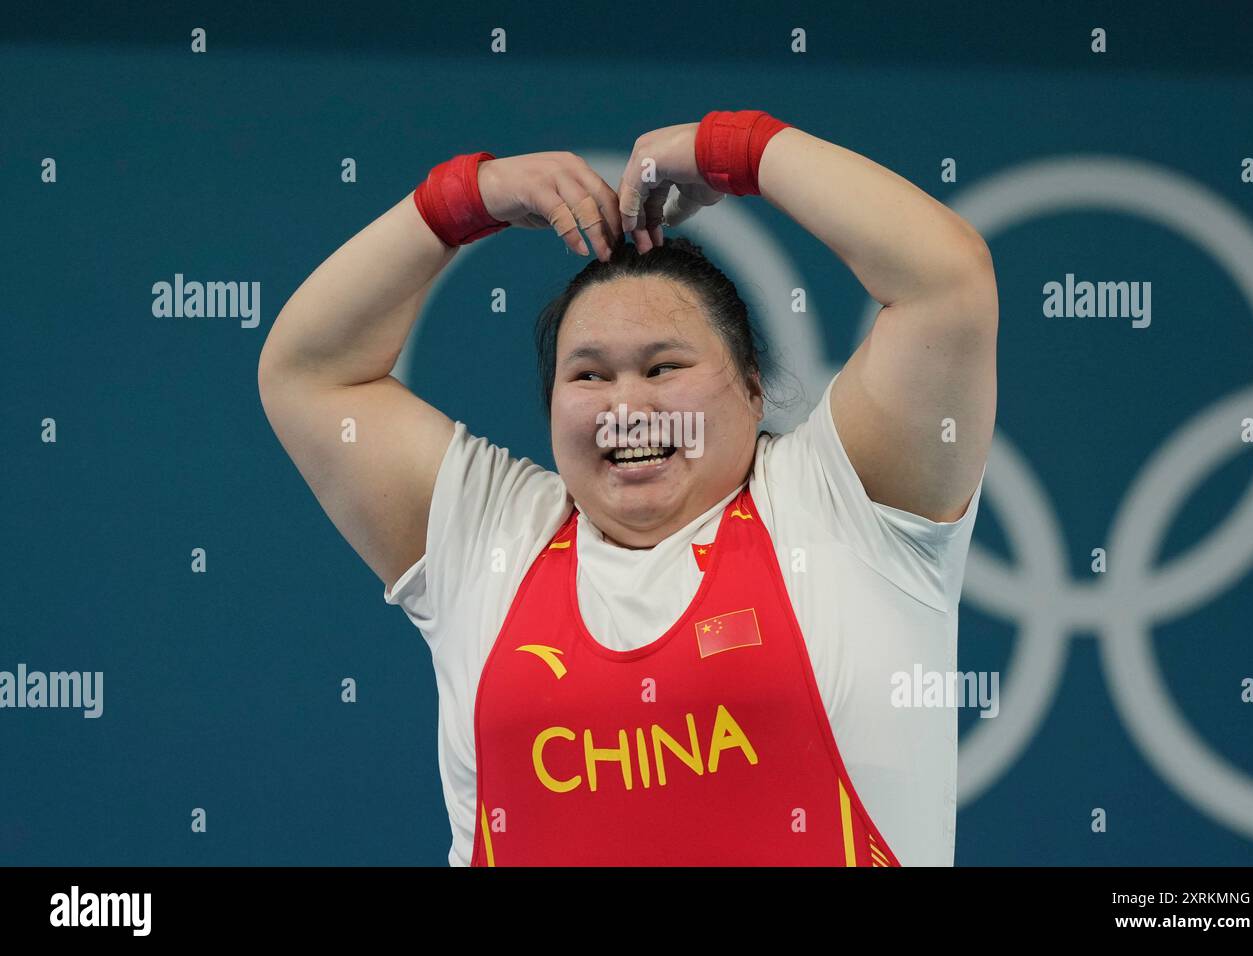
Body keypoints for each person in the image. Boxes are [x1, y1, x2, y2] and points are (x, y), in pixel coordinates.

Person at [257, 110, 998, 866]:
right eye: (589, 375)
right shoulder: (491, 538)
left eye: (664, 367)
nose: (626, 407)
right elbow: (310, 374)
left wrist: (733, 148)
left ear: (751, 389)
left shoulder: (844, 508)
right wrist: (462, 200)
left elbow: (946, 280)